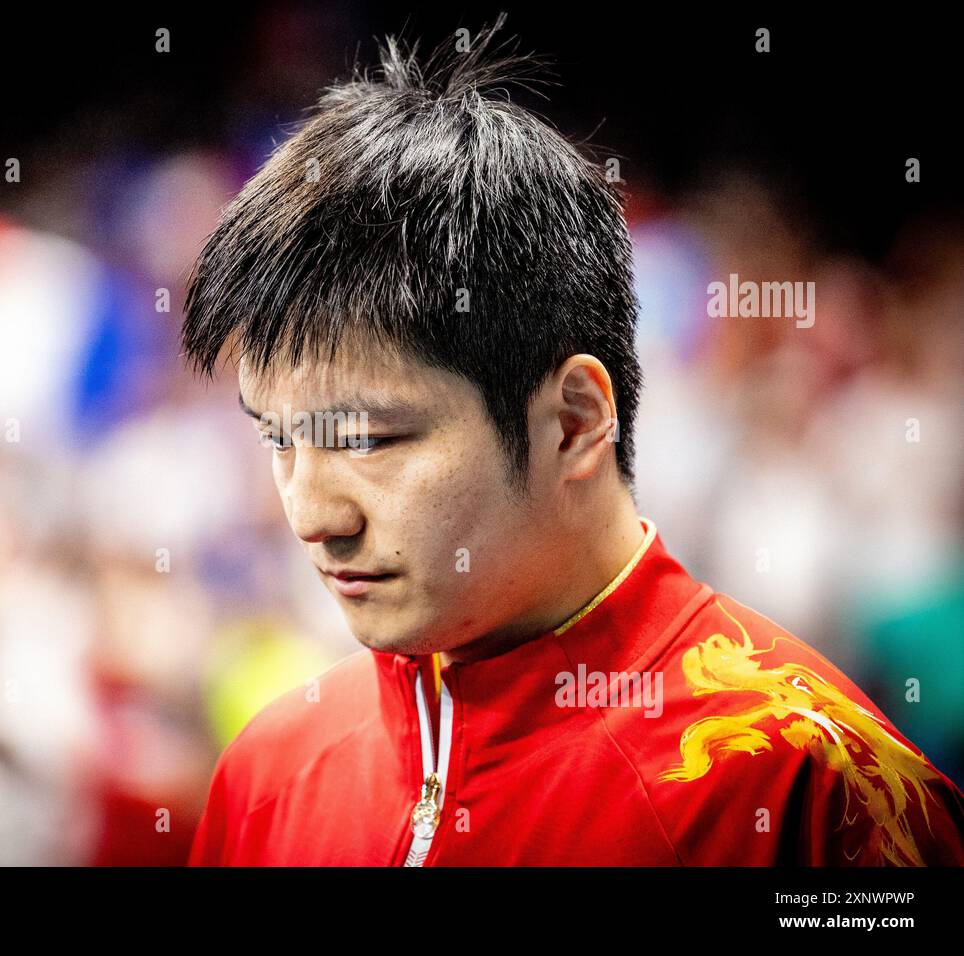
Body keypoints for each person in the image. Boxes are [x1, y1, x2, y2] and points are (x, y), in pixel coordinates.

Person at [178, 16, 964, 866]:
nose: (310, 513)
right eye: (277, 439)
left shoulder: (817, 790)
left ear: (575, 422)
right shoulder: (268, 774)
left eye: (366, 439)